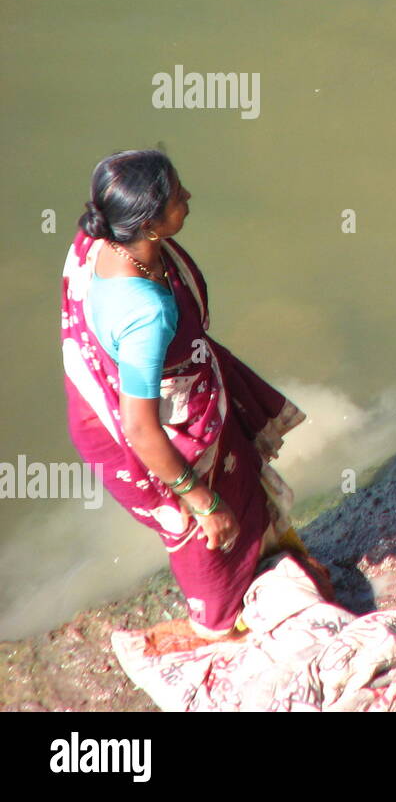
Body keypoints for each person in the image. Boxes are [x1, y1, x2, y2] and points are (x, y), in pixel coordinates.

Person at [62, 150, 312, 649]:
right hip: (159, 428)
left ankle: (255, 557)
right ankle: (217, 620)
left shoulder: (101, 236)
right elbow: (139, 427)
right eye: (178, 197)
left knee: (239, 477)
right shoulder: (143, 314)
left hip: (176, 386)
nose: (188, 198)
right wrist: (200, 498)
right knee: (207, 535)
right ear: (150, 225)